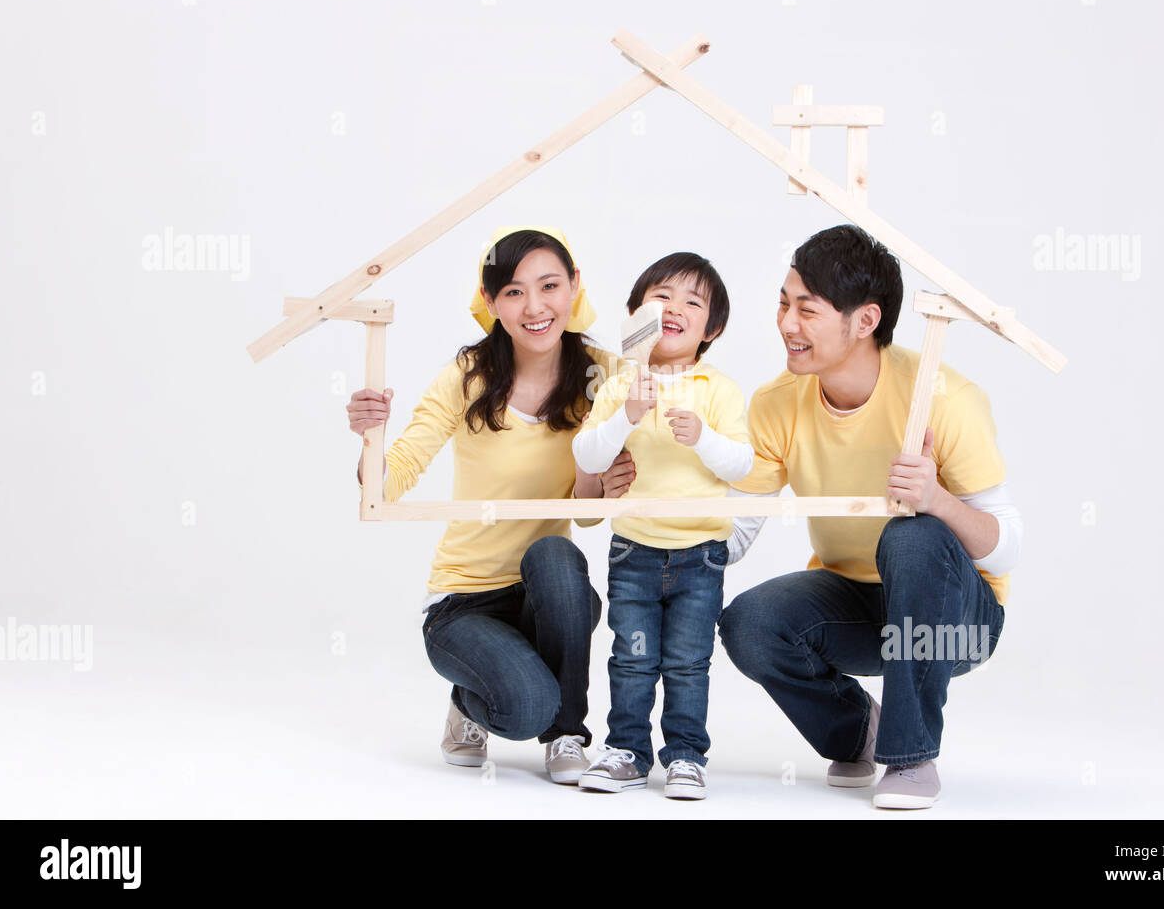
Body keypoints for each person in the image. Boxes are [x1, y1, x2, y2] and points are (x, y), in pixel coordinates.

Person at [719, 224, 1022, 809]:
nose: (786, 324)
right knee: (749, 624)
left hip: (959, 622)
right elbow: (736, 532)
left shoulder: (944, 399)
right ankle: (862, 733)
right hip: (858, 608)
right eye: (783, 303)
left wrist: (938, 500)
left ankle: (910, 757)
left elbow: (1007, 547)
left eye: (807, 310)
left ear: (865, 321)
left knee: (912, 538)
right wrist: (661, 522)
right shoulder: (776, 402)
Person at [346, 226, 634, 785]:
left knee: (556, 555)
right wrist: (370, 438)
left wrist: (598, 474)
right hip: (465, 602)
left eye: (550, 286)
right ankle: (468, 699)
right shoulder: (468, 375)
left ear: (575, 287)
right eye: (514, 292)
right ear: (490, 301)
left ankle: (567, 734)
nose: (535, 307)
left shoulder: (604, 374)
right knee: (525, 707)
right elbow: (389, 482)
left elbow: (589, 515)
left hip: (548, 594)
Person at [570, 253, 752, 800]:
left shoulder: (717, 389)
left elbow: (742, 466)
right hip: (634, 551)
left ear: (712, 328)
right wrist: (626, 413)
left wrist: (704, 439)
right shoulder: (620, 383)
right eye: (661, 298)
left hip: (702, 554)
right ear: (636, 315)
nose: (674, 309)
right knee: (631, 655)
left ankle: (686, 756)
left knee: (689, 662)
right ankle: (625, 749)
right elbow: (585, 450)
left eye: (692, 303)